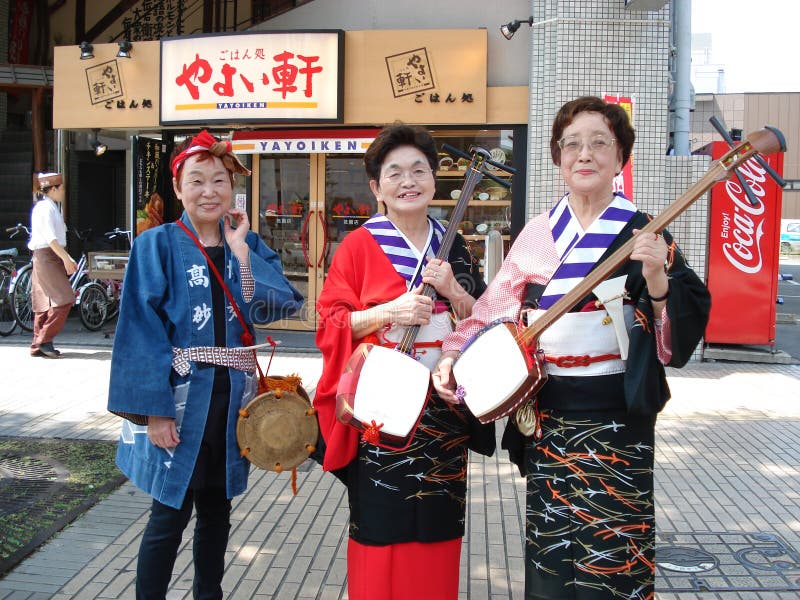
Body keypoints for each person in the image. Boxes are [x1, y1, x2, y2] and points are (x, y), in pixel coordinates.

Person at [433, 96, 711, 599]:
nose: (585, 154)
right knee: (552, 549)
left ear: (620, 157)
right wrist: (454, 353)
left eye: (599, 143)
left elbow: (675, 343)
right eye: (572, 144)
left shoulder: (644, 230)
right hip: (550, 415)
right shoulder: (538, 234)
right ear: (558, 159)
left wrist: (658, 279)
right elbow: (494, 309)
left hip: (617, 416)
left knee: (615, 548)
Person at [107, 130, 303, 600]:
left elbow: (283, 304)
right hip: (180, 399)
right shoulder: (155, 245)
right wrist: (153, 411)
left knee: (217, 509)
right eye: (197, 181)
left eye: (219, 181)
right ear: (178, 189)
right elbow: (139, 329)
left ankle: (207, 594)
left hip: (232, 400)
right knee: (168, 513)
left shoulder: (247, 243)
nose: (209, 191)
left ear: (232, 189)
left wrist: (240, 253)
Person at [314, 123, 495, 599]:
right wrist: (387, 312)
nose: (408, 181)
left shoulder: (453, 243)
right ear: (377, 187)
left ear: (435, 180)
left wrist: (455, 290)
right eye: (395, 173)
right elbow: (329, 324)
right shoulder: (358, 245)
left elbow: (482, 321)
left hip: (442, 408)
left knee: (438, 528)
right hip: (384, 410)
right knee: (381, 529)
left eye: (419, 169)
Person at [28, 171, 77, 358]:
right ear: (53, 189)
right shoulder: (46, 208)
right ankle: (44, 340)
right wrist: (66, 258)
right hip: (48, 257)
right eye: (61, 188)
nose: (63, 191)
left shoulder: (48, 207)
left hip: (44, 256)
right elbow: (51, 239)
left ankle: (38, 344)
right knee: (64, 298)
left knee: (43, 301)